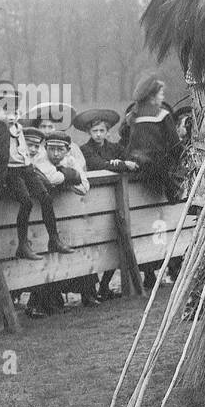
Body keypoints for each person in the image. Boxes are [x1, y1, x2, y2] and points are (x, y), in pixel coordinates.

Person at [3, 97, 74, 260]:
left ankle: (54, 239)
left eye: (14, 113)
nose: (11, 117)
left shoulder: (19, 129)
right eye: (7, 113)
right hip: (10, 170)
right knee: (26, 202)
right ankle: (22, 245)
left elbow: (24, 153)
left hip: (25, 167)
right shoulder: (0, 130)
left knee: (45, 197)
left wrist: (32, 170)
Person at [74, 108, 132, 300]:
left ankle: (105, 285)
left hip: (113, 201)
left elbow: (130, 158)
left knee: (115, 241)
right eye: (94, 131)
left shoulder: (114, 147)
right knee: (94, 243)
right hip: (93, 201)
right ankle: (90, 289)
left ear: (107, 132)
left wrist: (121, 162)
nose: (98, 135)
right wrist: (119, 164)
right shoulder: (85, 150)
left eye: (102, 131)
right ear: (89, 132)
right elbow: (98, 164)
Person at [120, 76, 183, 202]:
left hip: (135, 164)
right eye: (161, 94)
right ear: (152, 97)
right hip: (159, 165)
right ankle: (174, 192)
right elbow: (175, 145)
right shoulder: (162, 115)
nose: (163, 97)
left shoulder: (132, 115)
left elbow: (123, 135)